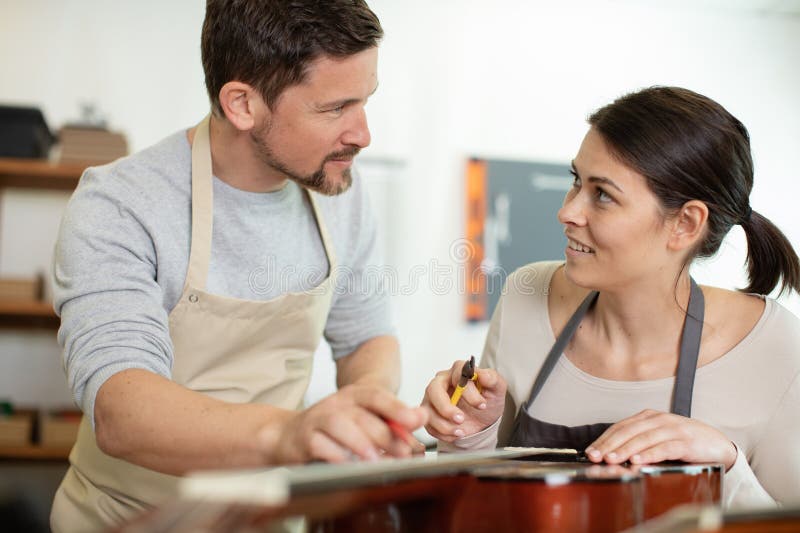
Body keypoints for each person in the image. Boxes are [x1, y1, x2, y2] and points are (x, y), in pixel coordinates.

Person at [50, 1, 427, 530]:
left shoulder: (339, 185)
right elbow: (121, 411)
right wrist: (288, 435)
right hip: (127, 519)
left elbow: (367, 337)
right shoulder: (121, 203)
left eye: (365, 101)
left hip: (267, 519)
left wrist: (369, 406)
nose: (363, 134)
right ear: (242, 104)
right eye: (335, 108)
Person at [422, 86, 800, 509]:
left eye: (602, 195)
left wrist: (727, 467)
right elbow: (477, 503)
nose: (567, 211)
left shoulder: (774, 346)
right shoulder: (525, 295)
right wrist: (466, 431)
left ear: (686, 224)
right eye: (576, 182)